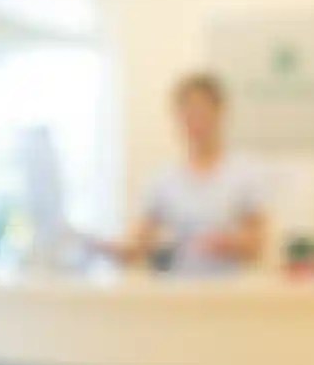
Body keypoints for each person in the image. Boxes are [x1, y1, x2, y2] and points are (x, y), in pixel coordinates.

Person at [102, 73, 268, 275]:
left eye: (202, 111)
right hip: (178, 294)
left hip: (227, 294)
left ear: (220, 112)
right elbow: (138, 243)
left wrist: (230, 242)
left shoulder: (244, 174)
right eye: (187, 112)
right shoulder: (163, 179)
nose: (195, 120)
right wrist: (110, 248)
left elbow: (258, 245)